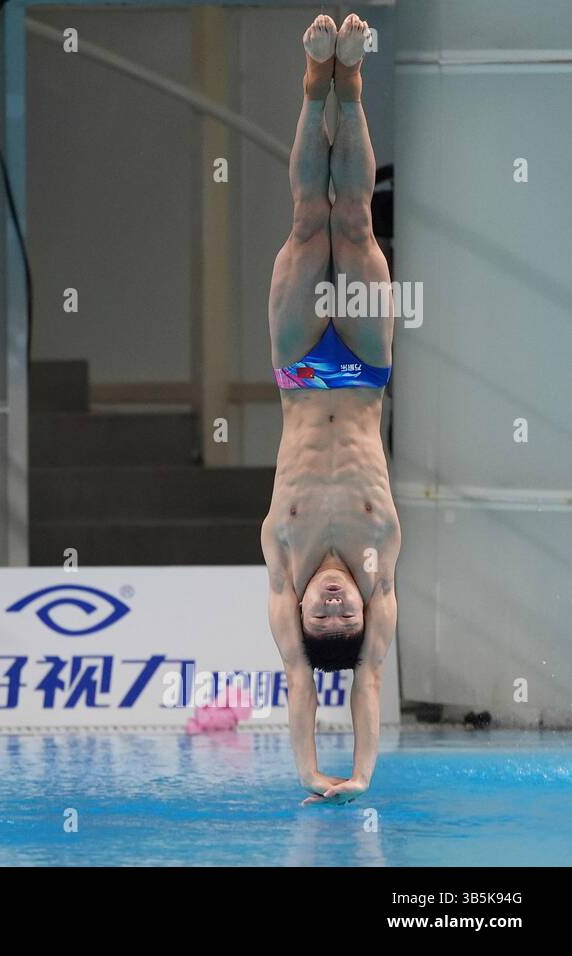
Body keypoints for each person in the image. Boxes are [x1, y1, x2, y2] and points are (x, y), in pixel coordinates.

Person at [260, 15, 399, 805]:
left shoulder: (284, 559)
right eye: (350, 616)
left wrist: (314, 770)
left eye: (328, 617)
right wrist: (363, 774)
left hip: (301, 370)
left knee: (310, 222)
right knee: (357, 221)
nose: (339, 605)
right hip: (368, 371)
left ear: (305, 613)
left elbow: (303, 683)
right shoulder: (380, 566)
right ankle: (355, 82)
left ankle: (318, 81)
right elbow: (368, 677)